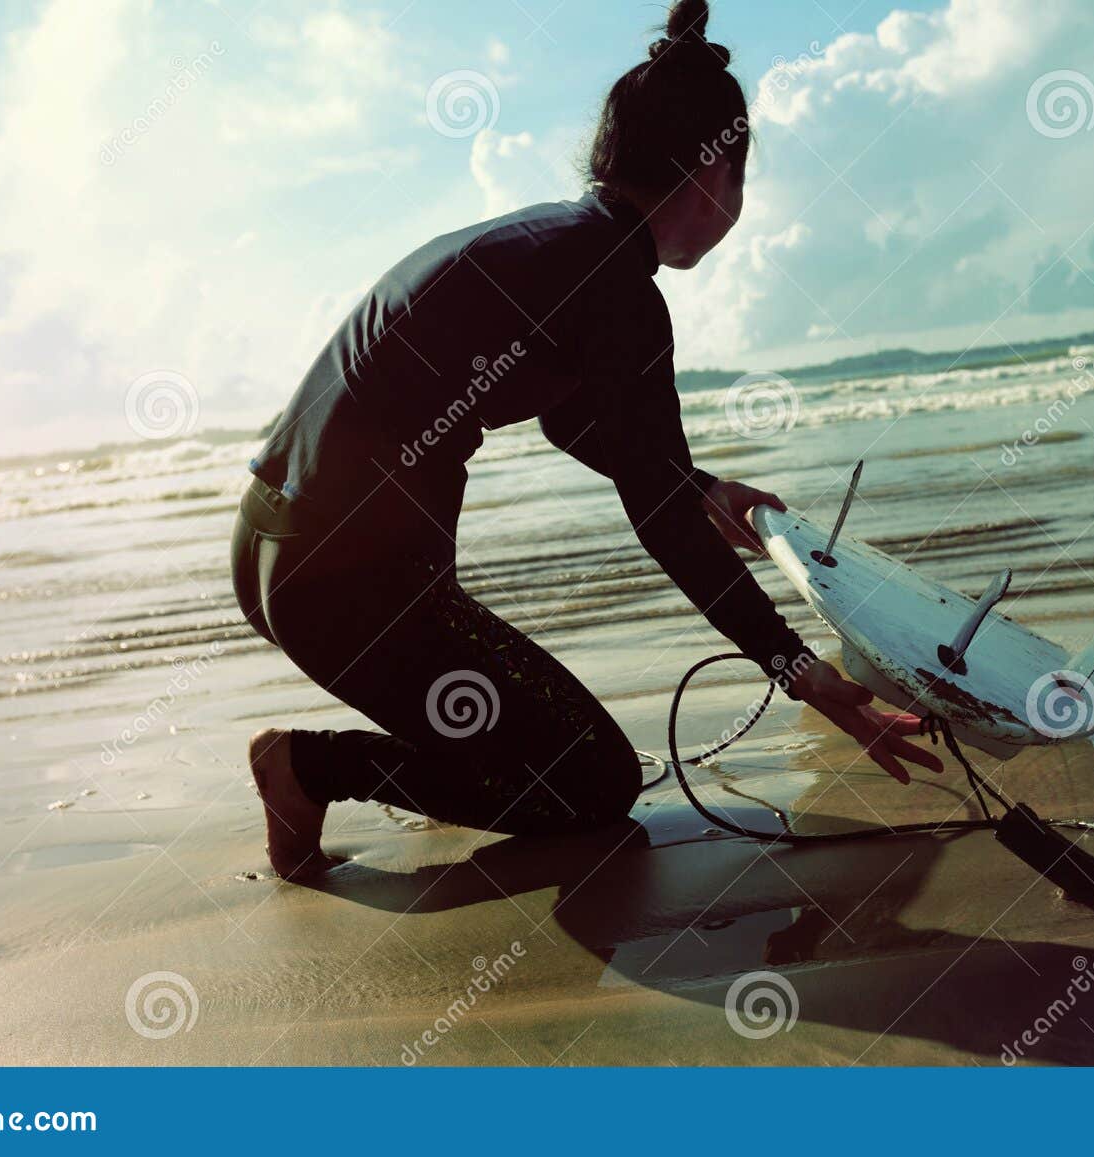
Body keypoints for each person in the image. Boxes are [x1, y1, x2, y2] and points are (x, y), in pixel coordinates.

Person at [231, 0, 942, 879]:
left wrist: (698, 486)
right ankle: (305, 767)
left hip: (276, 548)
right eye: (742, 183)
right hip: (348, 591)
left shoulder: (553, 243)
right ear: (718, 170)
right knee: (592, 781)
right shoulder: (616, 287)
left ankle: (423, 756)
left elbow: (573, 416)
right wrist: (801, 671)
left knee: (528, 738)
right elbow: (660, 520)